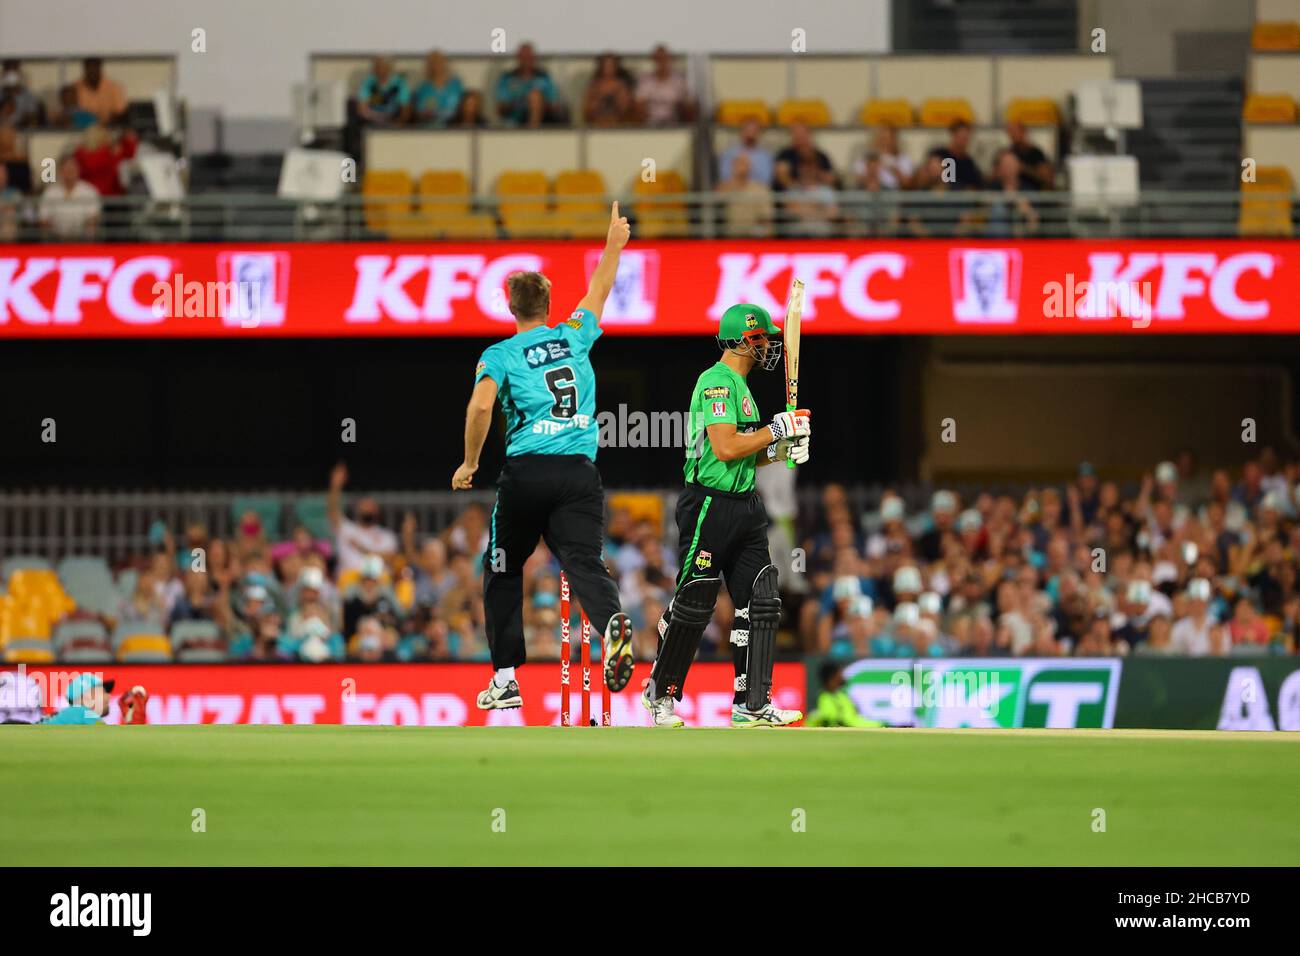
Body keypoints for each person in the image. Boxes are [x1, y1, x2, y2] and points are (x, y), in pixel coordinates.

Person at [453, 201, 635, 711]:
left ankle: (507, 677)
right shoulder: (573, 335)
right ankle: (609, 625)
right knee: (582, 562)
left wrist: (470, 463)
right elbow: (599, 288)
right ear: (548, 305)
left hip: (527, 473)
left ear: (510, 307)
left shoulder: (500, 354)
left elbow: (481, 406)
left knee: (504, 566)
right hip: (579, 472)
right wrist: (613, 245)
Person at [642, 302, 810, 728]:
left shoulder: (742, 386)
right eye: (762, 338)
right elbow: (726, 448)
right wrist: (776, 429)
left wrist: (784, 448)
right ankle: (660, 694)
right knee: (697, 599)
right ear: (741, 340)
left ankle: (751, 702)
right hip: (709, 505)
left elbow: (747, 459)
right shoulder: (715, 382)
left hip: (745, 505)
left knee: (762, 598)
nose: (770, 344)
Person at [494, 43, 562, 127]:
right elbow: (500, 107)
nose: (526, 60)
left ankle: (532, 130)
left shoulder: (544, 77)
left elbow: (553, 105)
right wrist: (521, 101)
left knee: (535, 96)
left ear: (534, 58)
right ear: (518, 58)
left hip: (541, 117)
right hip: (514, 119)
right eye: (523, 57)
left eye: (529, 56)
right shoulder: (507, 78)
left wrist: (538, 102)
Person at [807, 661, 884, 727]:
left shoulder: (843, 696)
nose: (842, 676)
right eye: (839, 673)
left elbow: (853, 717)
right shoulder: (822, 698)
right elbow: (838, 721)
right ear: (831, 677)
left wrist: (878, 725)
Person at [411, 51, 463, 126]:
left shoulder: (456, 84)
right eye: (433, 63)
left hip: (453, 126)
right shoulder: (423, 87)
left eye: (439, 62)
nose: (436, 66)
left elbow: (463, 108)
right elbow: (419, 110)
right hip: (429, 127)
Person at [582, 53, 634, 127]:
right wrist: (599, 100)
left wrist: (615, 98)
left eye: (611, 65)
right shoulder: (594, 85)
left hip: (617, 123)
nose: (608, 68)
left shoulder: (621, 85)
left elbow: (626, 108)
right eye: (606, 65)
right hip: (597, 123)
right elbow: (587, 109)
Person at [41, 674, 114, 725]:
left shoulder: (73, 713)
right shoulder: (82, 712)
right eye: (103, 692)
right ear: (86, 698)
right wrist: (126, 719)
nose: (108, 696)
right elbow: (109, 738)